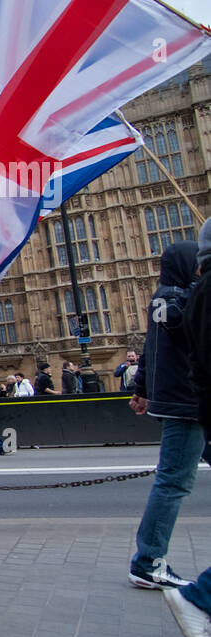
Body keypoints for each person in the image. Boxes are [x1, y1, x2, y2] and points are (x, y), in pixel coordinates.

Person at [127, 239, 202, 590]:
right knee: (172, 481)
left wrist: (140, 389)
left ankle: (148, 559)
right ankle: (147, 561)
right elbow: (178, 323)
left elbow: (149, 350)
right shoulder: (176, 300)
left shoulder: (161, 296)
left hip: (179, 401)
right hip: (186, 404)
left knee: (173, 478)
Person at [167, 219, 211, 637]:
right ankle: (201, 598)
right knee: (172, 483)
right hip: (190, 408)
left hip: (196, 407)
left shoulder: (193, 294)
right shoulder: (200, 294)